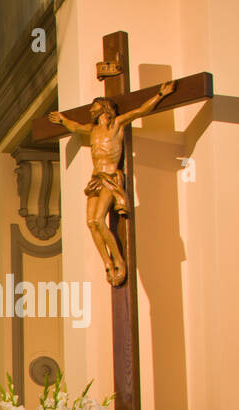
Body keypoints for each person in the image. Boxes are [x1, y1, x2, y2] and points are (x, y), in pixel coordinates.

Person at [48, 80, 174, 286]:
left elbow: (141, 110)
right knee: (90, 223)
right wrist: (62, 120)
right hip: (95, 179)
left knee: (99, 220)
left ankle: (119, 261)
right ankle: (107, 262)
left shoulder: (117, 125)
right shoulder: (92, 129)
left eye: (94, 106)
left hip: (110, 178)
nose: (91, 109)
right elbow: (75, 126)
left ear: (104, 108)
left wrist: (161, 94)